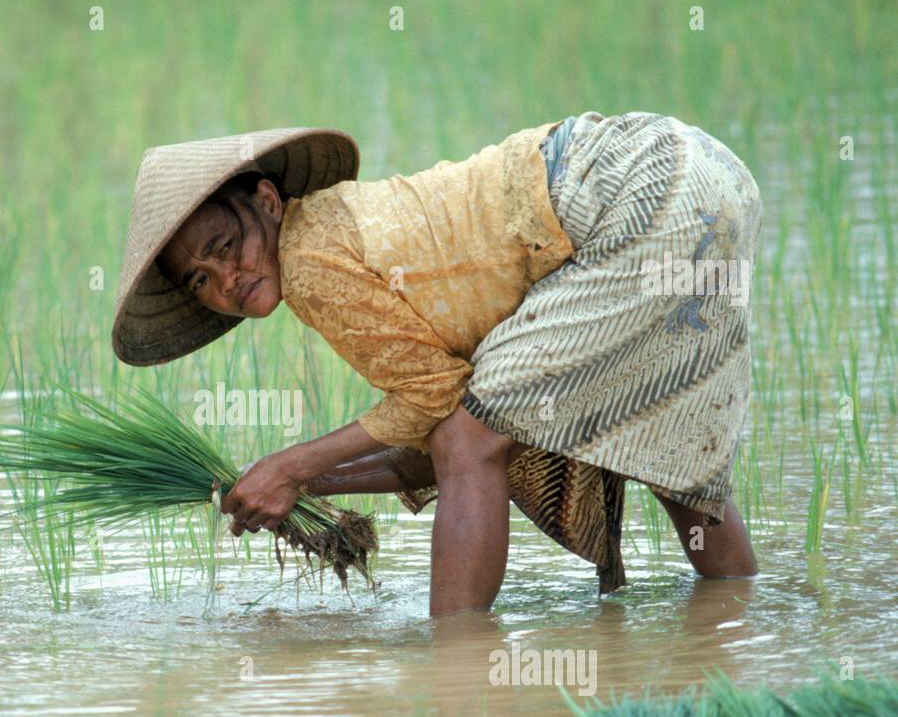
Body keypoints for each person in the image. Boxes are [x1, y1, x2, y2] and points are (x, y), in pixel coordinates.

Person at [112, 115, 761, 616]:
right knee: (675, 461)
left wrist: (290, 465)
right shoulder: (335, 226)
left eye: (227, 247)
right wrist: (304, 486)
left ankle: (457, 679)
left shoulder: (309, 261)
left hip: (627, 195)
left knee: (468, 441)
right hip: (699, 175)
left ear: (267, 202)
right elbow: (440, 429)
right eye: (200, 281)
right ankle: (739, 622)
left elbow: (443, 422)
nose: (226, 278)